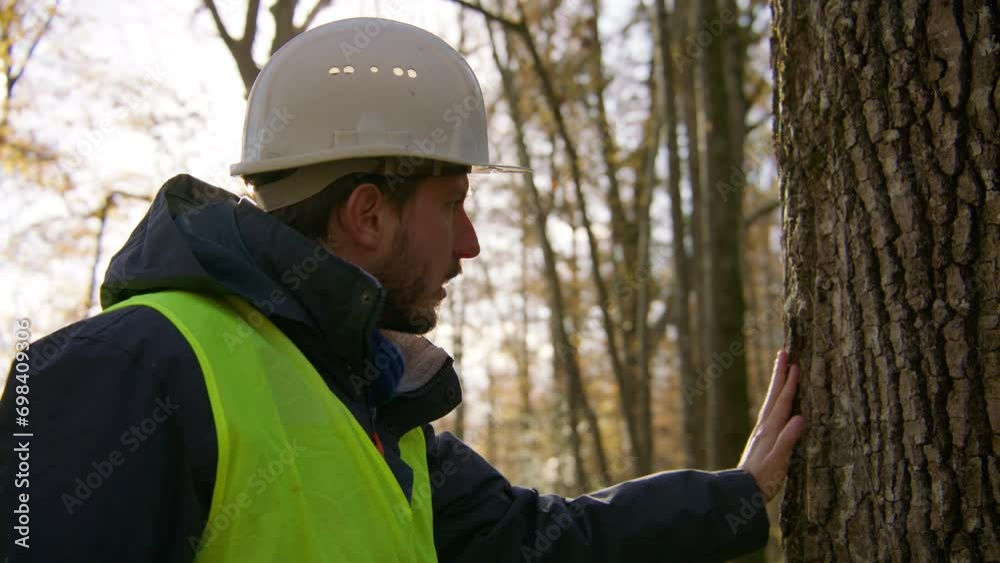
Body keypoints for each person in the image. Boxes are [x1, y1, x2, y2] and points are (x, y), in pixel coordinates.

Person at [0, 17, 804, 562]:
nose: (471, 243)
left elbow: (551, 539)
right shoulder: (121, 373)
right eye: (453, 205)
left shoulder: (382, 417)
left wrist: (736, 495)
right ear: (367, 214)